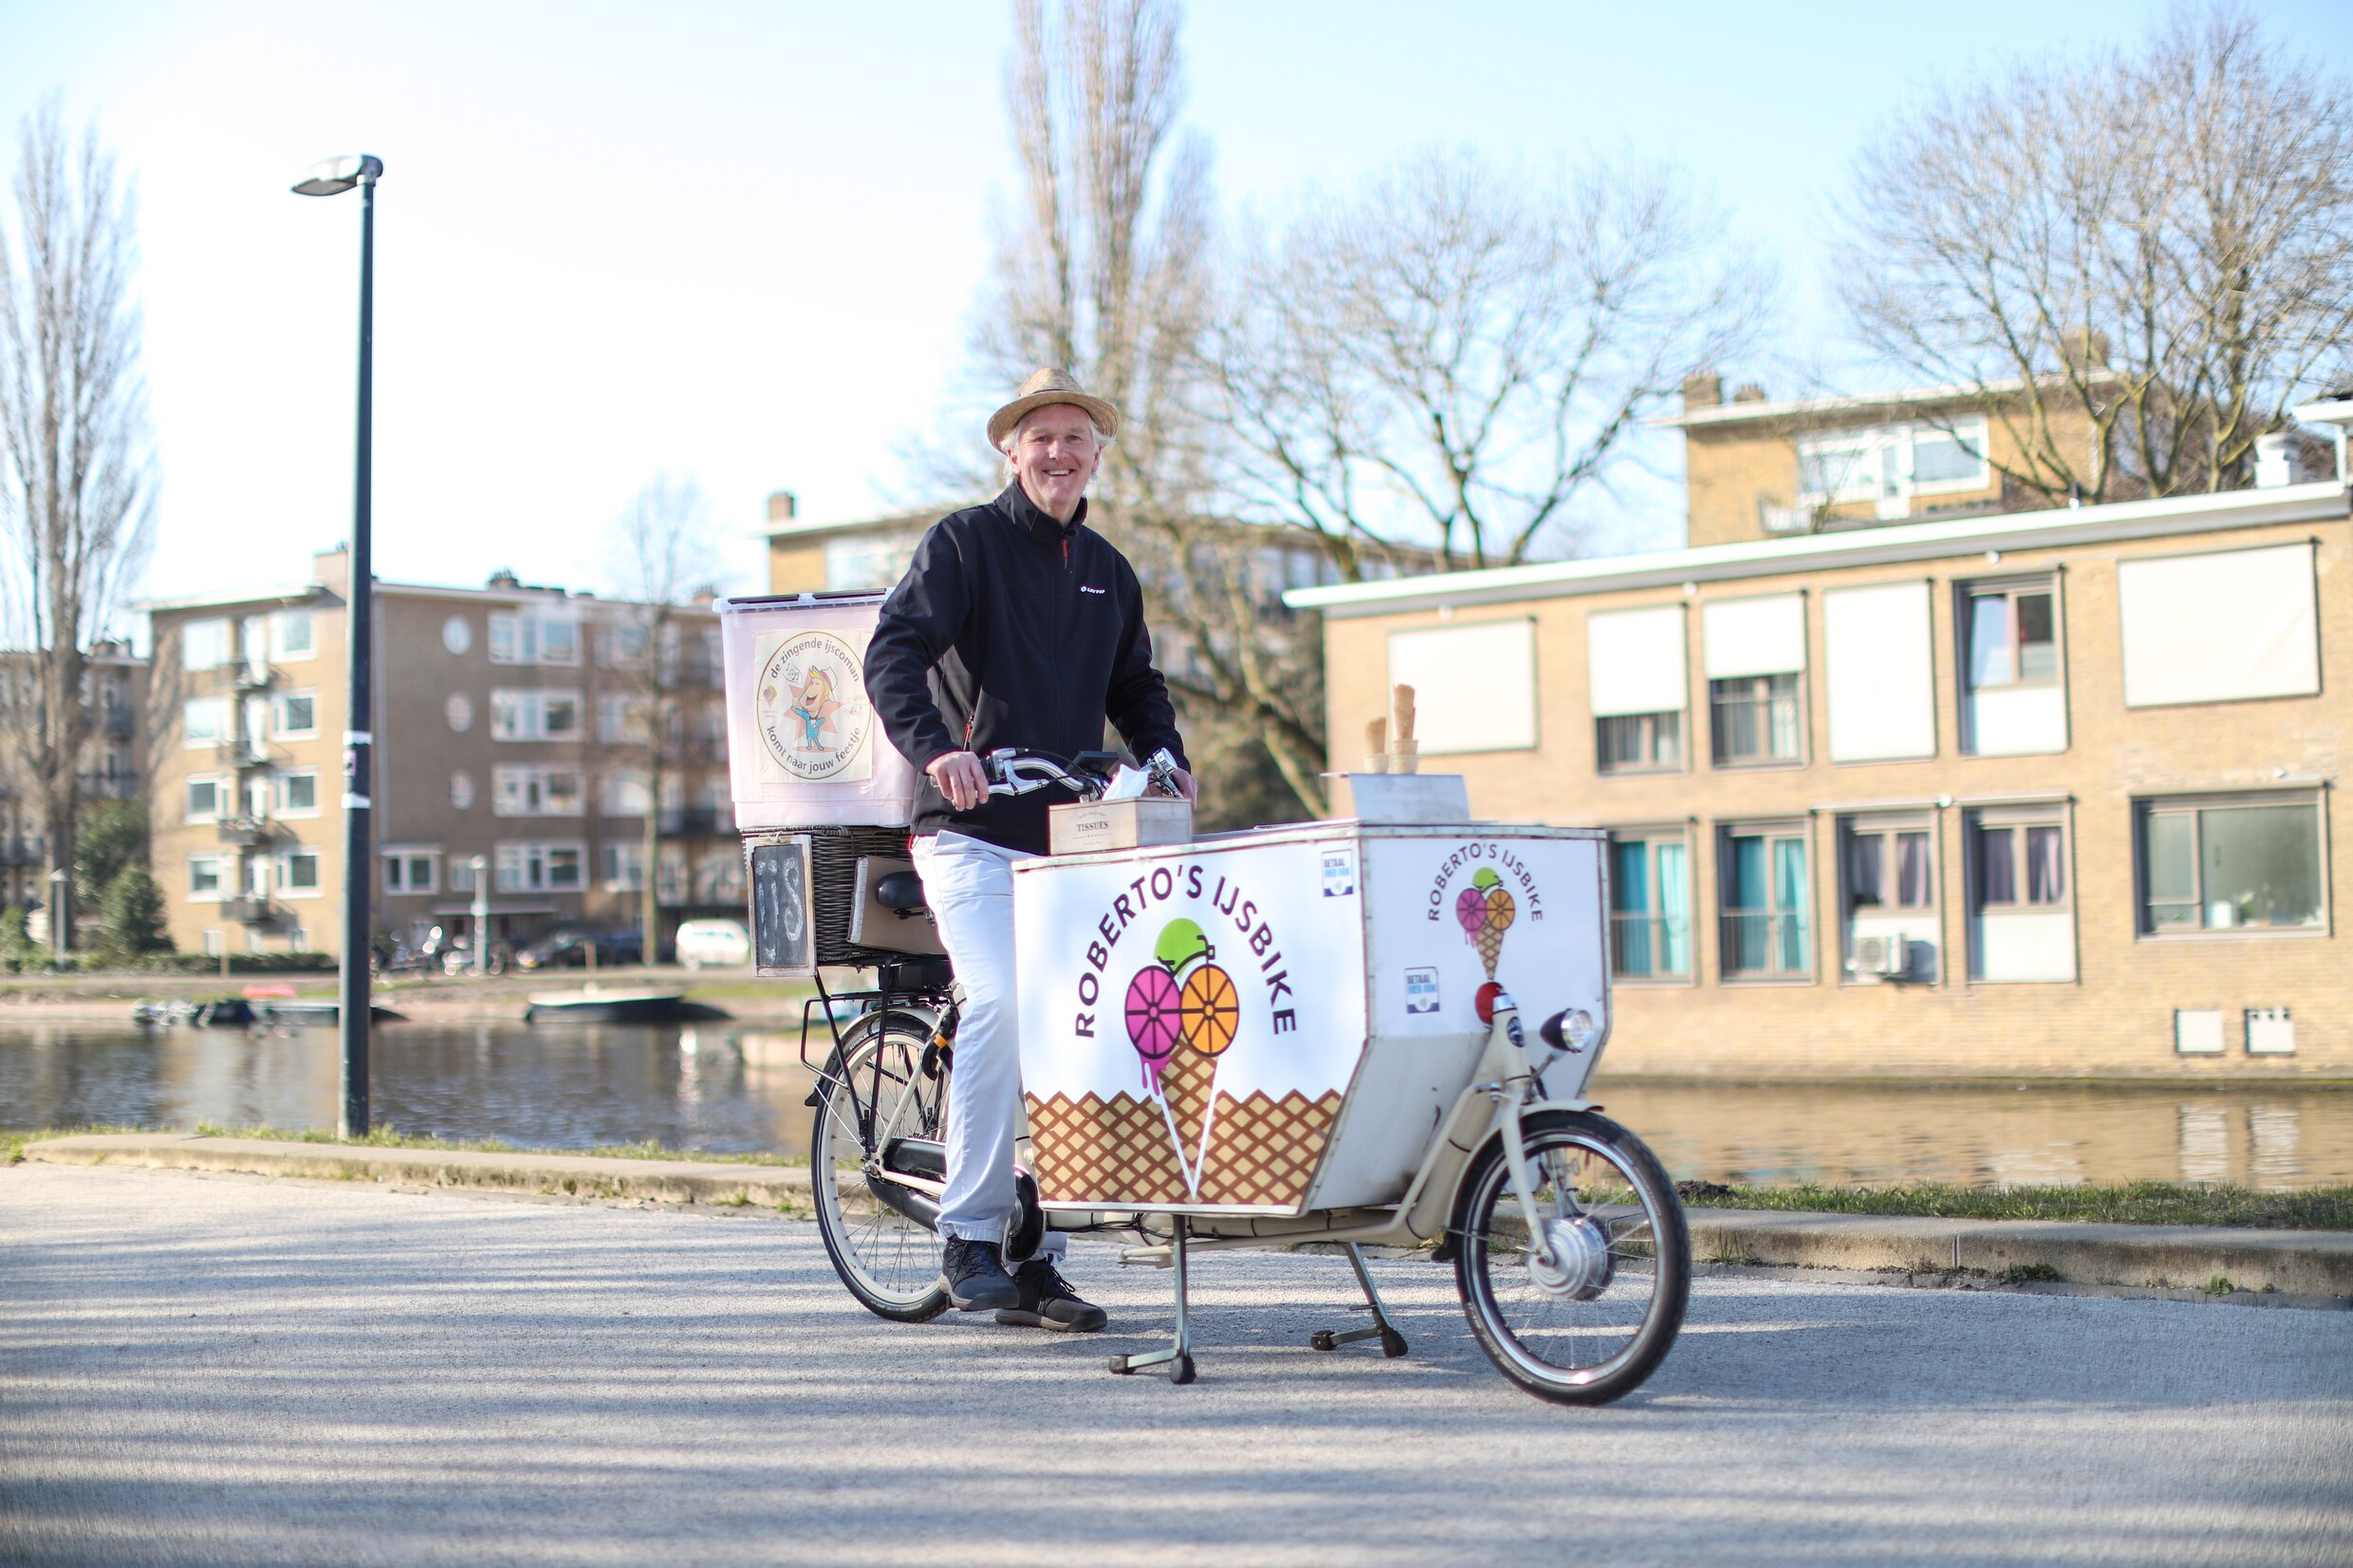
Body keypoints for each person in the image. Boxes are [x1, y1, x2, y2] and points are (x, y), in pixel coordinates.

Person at [863, 367, 1195, 1332]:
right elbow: (894, 653)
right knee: (1002, 1000)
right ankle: (966, 1233)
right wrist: (939, 752)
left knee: (1079, 1027)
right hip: (969, 832)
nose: (1058, 453)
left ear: (1096, 455)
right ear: (1012, 451)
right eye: (1039, 437)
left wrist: (1166, 758)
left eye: (1074, 439)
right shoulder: (964, 543)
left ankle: (1037, 1253)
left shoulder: (1105, 569)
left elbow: (1136, 687)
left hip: (1071, 840)